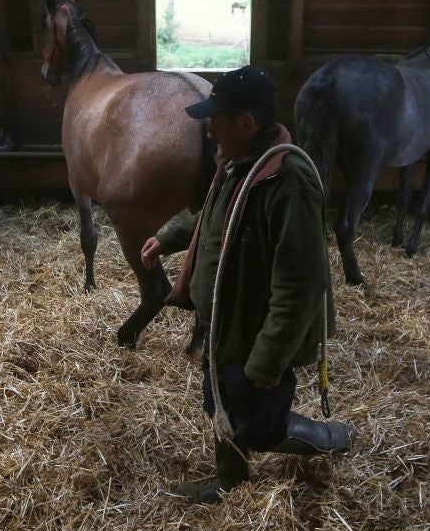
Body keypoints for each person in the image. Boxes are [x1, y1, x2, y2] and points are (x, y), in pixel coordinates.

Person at [141, 64, 352, 504]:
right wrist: (169, 237)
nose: (209, 131)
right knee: (219, 400)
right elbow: (212, 216)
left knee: (258, 424)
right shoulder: (240, 165)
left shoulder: (287, 180)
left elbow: (298, 285)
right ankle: (229, 476)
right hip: (226, 319)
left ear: (246, 123)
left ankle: (330, 438)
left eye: (216, 120)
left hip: (254, 329)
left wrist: (267, 363)